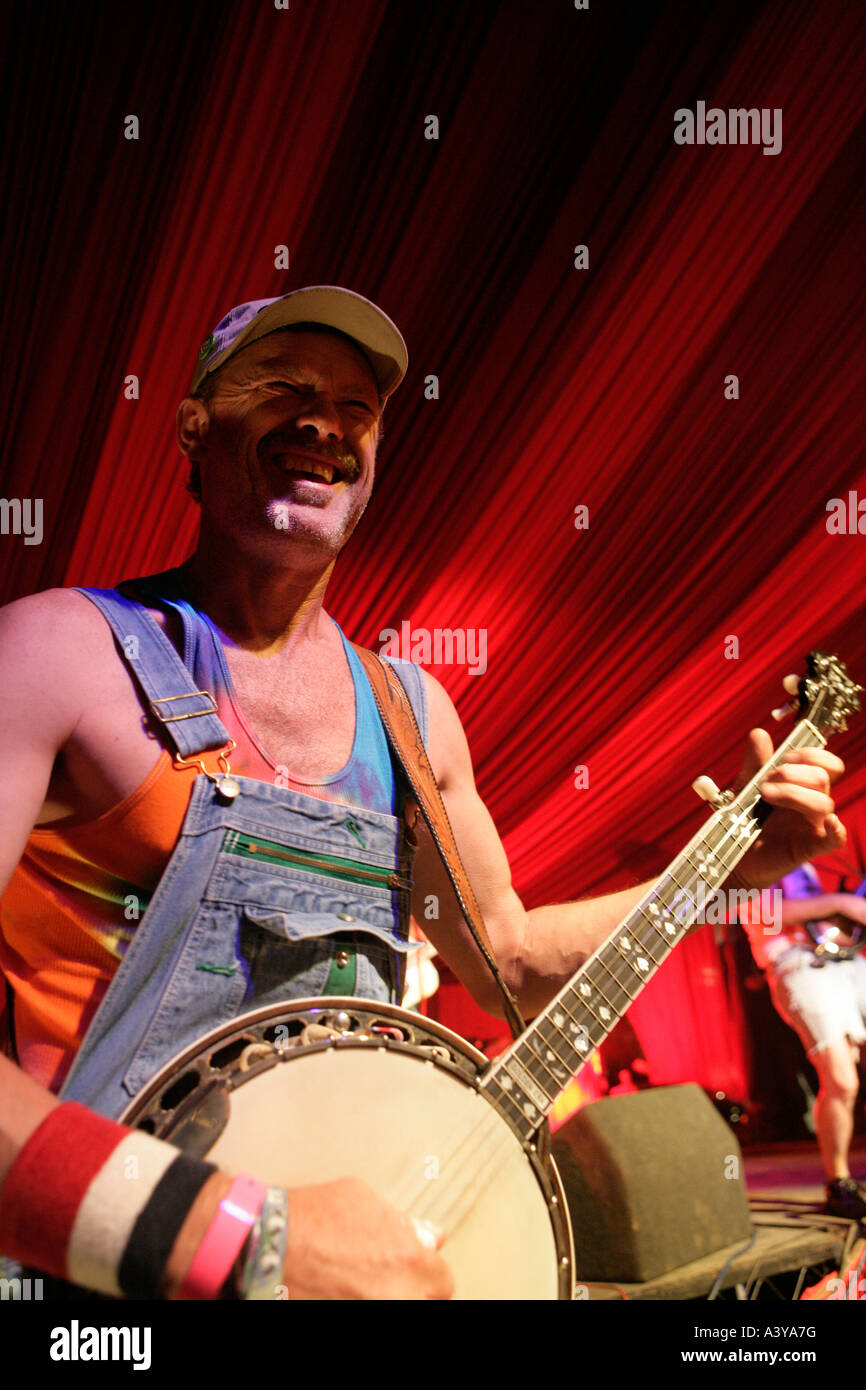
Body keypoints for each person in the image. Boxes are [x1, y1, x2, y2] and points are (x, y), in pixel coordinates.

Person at [0, 286, 847, 1300]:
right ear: (193, 423)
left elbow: (511, 964)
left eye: (355, 407)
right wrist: (245, 1239)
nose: (322, 422)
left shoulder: (411, 713)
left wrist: (727, 868)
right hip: (105, 1289)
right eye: (281, 387)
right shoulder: (57, 652)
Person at [744, 851, 866, 1219]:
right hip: (799, 963)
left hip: (847, 961)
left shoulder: (805, 861)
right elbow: (763, 915)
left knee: (848, 1078)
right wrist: (843, 902)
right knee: (841, 1080)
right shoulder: (750, 858)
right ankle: (839, 1182)